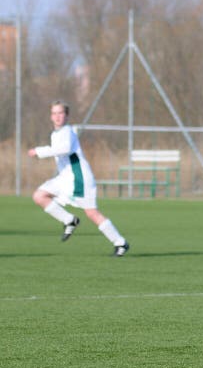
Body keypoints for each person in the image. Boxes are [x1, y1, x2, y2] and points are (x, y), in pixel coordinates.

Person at [28, 100, 129, 256]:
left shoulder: (68, 131)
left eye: (60, 113)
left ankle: (120, 243)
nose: (57, 116)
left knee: (91, 213)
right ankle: (69, 220)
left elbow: (64, 149)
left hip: (79, 178)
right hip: (64, 178)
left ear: (67, 115)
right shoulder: (55, 133)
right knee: (39, 195)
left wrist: (39, 151)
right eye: (54, 113)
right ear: (50, 116)